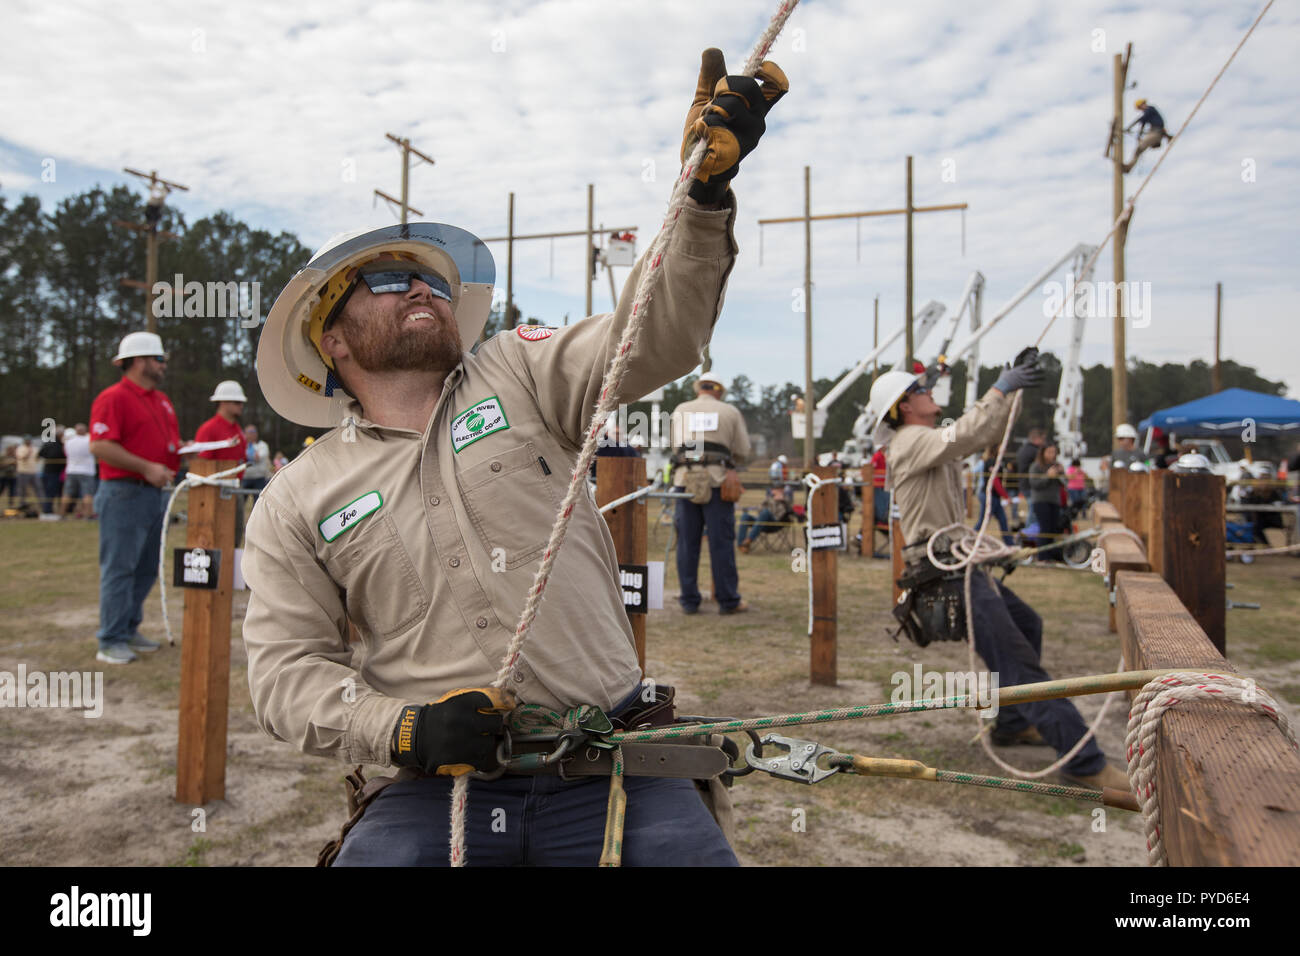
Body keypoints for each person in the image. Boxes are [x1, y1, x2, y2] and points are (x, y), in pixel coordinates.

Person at [240, 48, 787, 867]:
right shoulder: (297, 497)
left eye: (433, 278)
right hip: (434, 786)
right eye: (391, 278)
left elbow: (651, 332)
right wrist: (405, 728)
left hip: (614, 764)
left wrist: (699, 200)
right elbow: (285, 674)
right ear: (332, 337)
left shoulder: (518, 370)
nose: (425, 287)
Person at [865, 348, 1129, 792]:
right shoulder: (909, 441)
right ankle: (1083, 763)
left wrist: (1010, 391)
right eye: (921, 390)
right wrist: (1000, 387)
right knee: (1018, 662)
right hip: (943, 572)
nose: (930, 392)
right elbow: (969, 433)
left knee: (1027, 625)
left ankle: (1010, 722)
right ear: (904, 407)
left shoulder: (925, 438)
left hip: (954, 565)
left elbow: (982, 430)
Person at [87, 331, 181, 664]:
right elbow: (99, 446)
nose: (164, 365)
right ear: (140, 361)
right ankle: (110, 639)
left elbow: (168, 446)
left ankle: (127, 629)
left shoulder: (161, 400)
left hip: (153, 493)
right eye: (159, 359)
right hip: (124, 493)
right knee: (120, 568)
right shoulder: (114, 397)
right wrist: (146, 467)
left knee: (145, 569)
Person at [670, 371, 752, 615]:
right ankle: (728, 600)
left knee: (687, 543)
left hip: (685, 481)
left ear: (699, 389)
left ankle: (689, 600)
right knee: (721, 543)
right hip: (717, 480)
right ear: (718, 390)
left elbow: (675, 446)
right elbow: (742, 450)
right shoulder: (730, 412)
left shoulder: (680, 410)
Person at [1027, 441, 1067, 559]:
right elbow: (1034, 484)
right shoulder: (1036, 466)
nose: (1052, 454)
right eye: (1049, 452)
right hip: (1040, 501)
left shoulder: (1056, 466)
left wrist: (1061, 474)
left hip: (1054, 501)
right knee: (1045, 528)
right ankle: (1043, 556)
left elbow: (1065, 484)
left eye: (1054, 452)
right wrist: (1047, 476)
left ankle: (1052, 554)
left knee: (1053, 529)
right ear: (1043, 453)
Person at [194, 381, 249, 463]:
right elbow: (201, 464)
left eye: (242, 403)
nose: (241, 406)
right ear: (223, 402)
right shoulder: (208, 429)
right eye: (237, 402)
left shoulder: (238, 430)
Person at [737, 485, 792, 553]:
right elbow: (759, 509)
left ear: (782, 490)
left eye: (779, 490)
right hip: (762, 522)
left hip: (776, 523)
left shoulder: (786, 499)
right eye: (775, 489)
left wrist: (782, 499)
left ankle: (749, 540)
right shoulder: (769, 498)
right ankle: (741, 545)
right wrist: (773, 500)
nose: (777, 491)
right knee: (745, 516)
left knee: (766, 512)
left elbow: (789, 510)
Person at [1123, 99, 1173, 173]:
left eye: (1141, 106)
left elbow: (1142, 119)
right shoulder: (1148, 113)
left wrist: (1129, 127)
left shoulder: (1150, 109)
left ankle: (1129, 167)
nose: (1142, 108)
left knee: (1139, 149)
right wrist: (1139, 135)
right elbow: (1143, 123)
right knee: (1139, 150)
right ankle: (1129, 167)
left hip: (1156, 133)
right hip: (1154, 132)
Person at [63, 423, 98, 518]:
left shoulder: (69, 442)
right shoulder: (89, 440)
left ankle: (62, 514)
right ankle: (88, 515)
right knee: (88, 494)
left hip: (71, 470)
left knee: (67, 493)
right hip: (87, 471)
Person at [1012, 426, 1046, 524]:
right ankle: (1027, 532)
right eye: (1043, 439)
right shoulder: (1035, 451)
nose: (1044, 442)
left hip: (1024, 484)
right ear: (1036, 439)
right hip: (1031, 485)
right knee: (1034, 509)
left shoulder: (1022, 449)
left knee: (1033, 508)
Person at [37, 428, 65, 520]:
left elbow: (40, 453)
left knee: (48, 492)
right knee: (51, 492)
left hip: (47, 471)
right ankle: (47, 511)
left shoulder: (48, 443)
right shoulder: (58, 445)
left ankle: (48, 510)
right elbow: (57, 455)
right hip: (54, 472)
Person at [242, 424, 272, 498]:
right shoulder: (241, 445)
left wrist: (247, 455)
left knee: (259, 503)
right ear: (244, 433)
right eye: (249, 432)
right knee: (240, 503)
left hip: (259, 478)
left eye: (254, 431)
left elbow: (257, 458)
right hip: (244, 477)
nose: (252, 434)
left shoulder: (263, 445)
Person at [14, 437, 40, 509]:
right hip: (23, 472)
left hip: (34, 472)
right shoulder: (20, 448)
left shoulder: (35, 448)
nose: (28, 441)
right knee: (22, 489)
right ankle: (22, 504)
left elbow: (37, 459)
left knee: (38, 489)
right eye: (27, 440)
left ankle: (42, 505)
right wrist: (29, 452)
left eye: (29, 440)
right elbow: (21, 458)